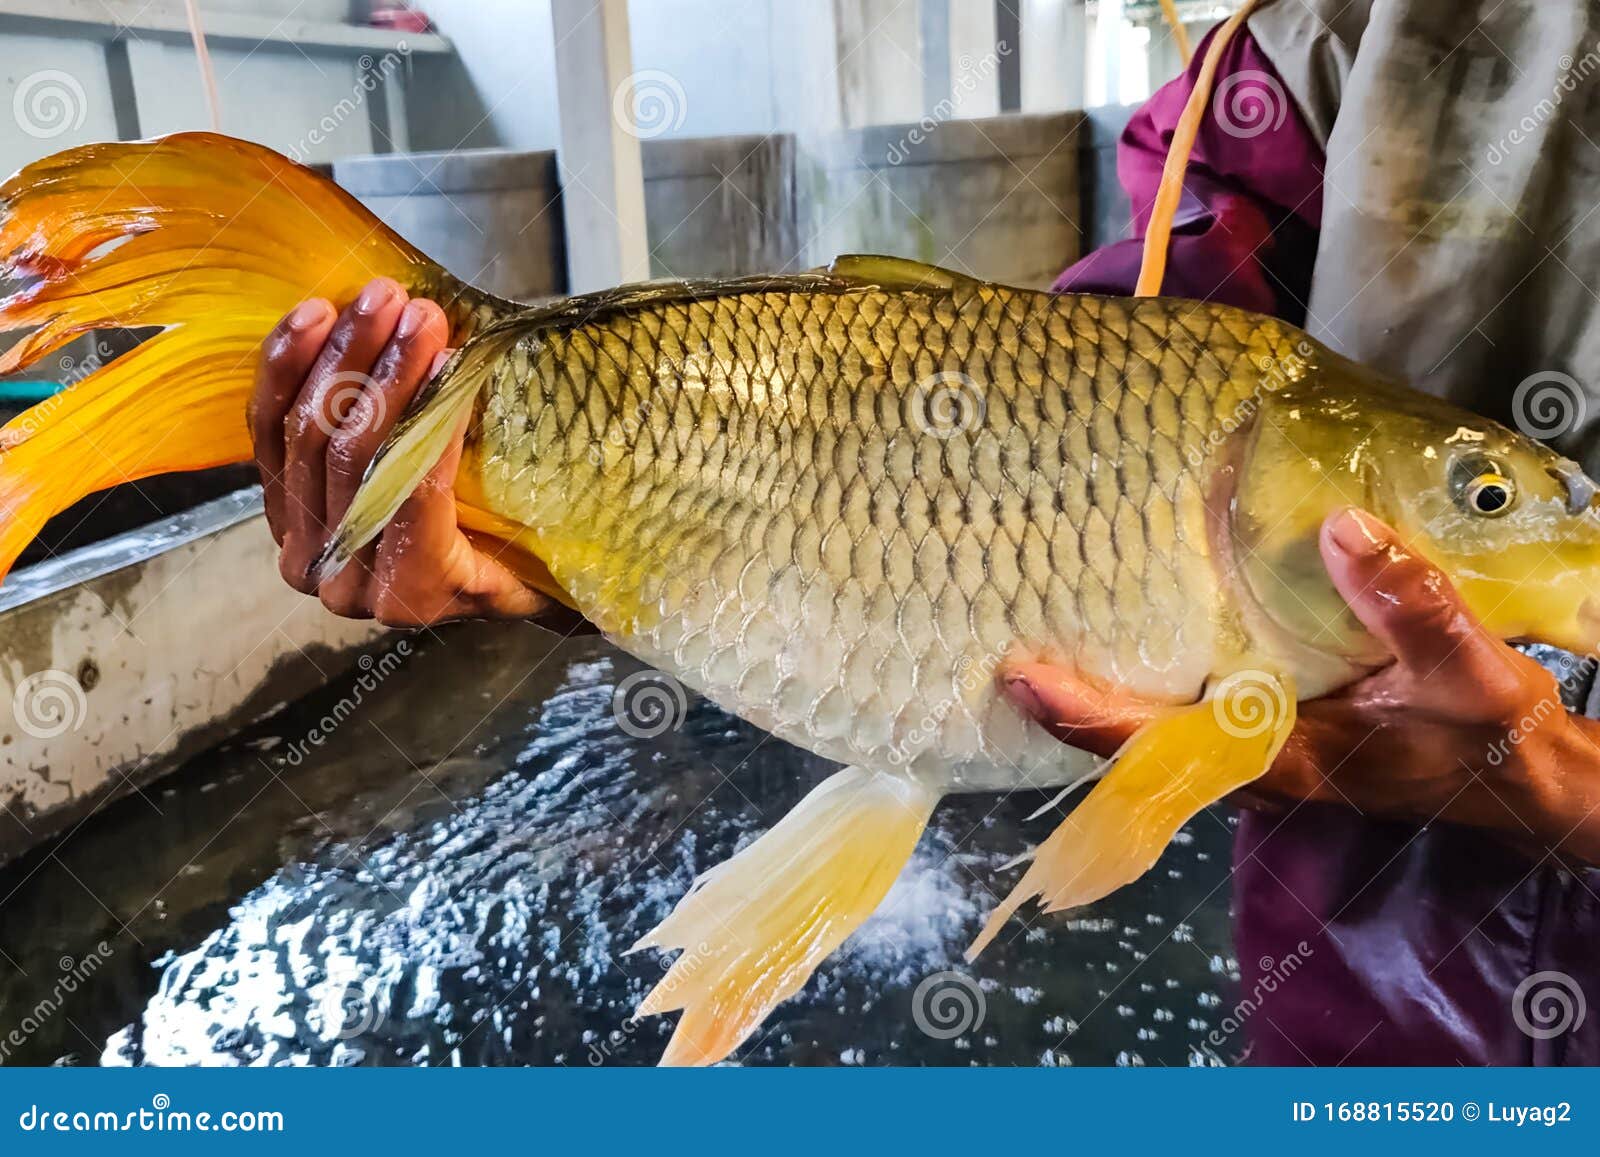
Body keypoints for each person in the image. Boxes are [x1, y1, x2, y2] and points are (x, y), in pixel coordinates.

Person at [250, 0, 1600, 1064]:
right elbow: (1127, 328)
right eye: (1481, 497)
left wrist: (1556, 784)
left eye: (1483, 499)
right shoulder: (1335, 39)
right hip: (1361, 1030)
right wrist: (547, 540)